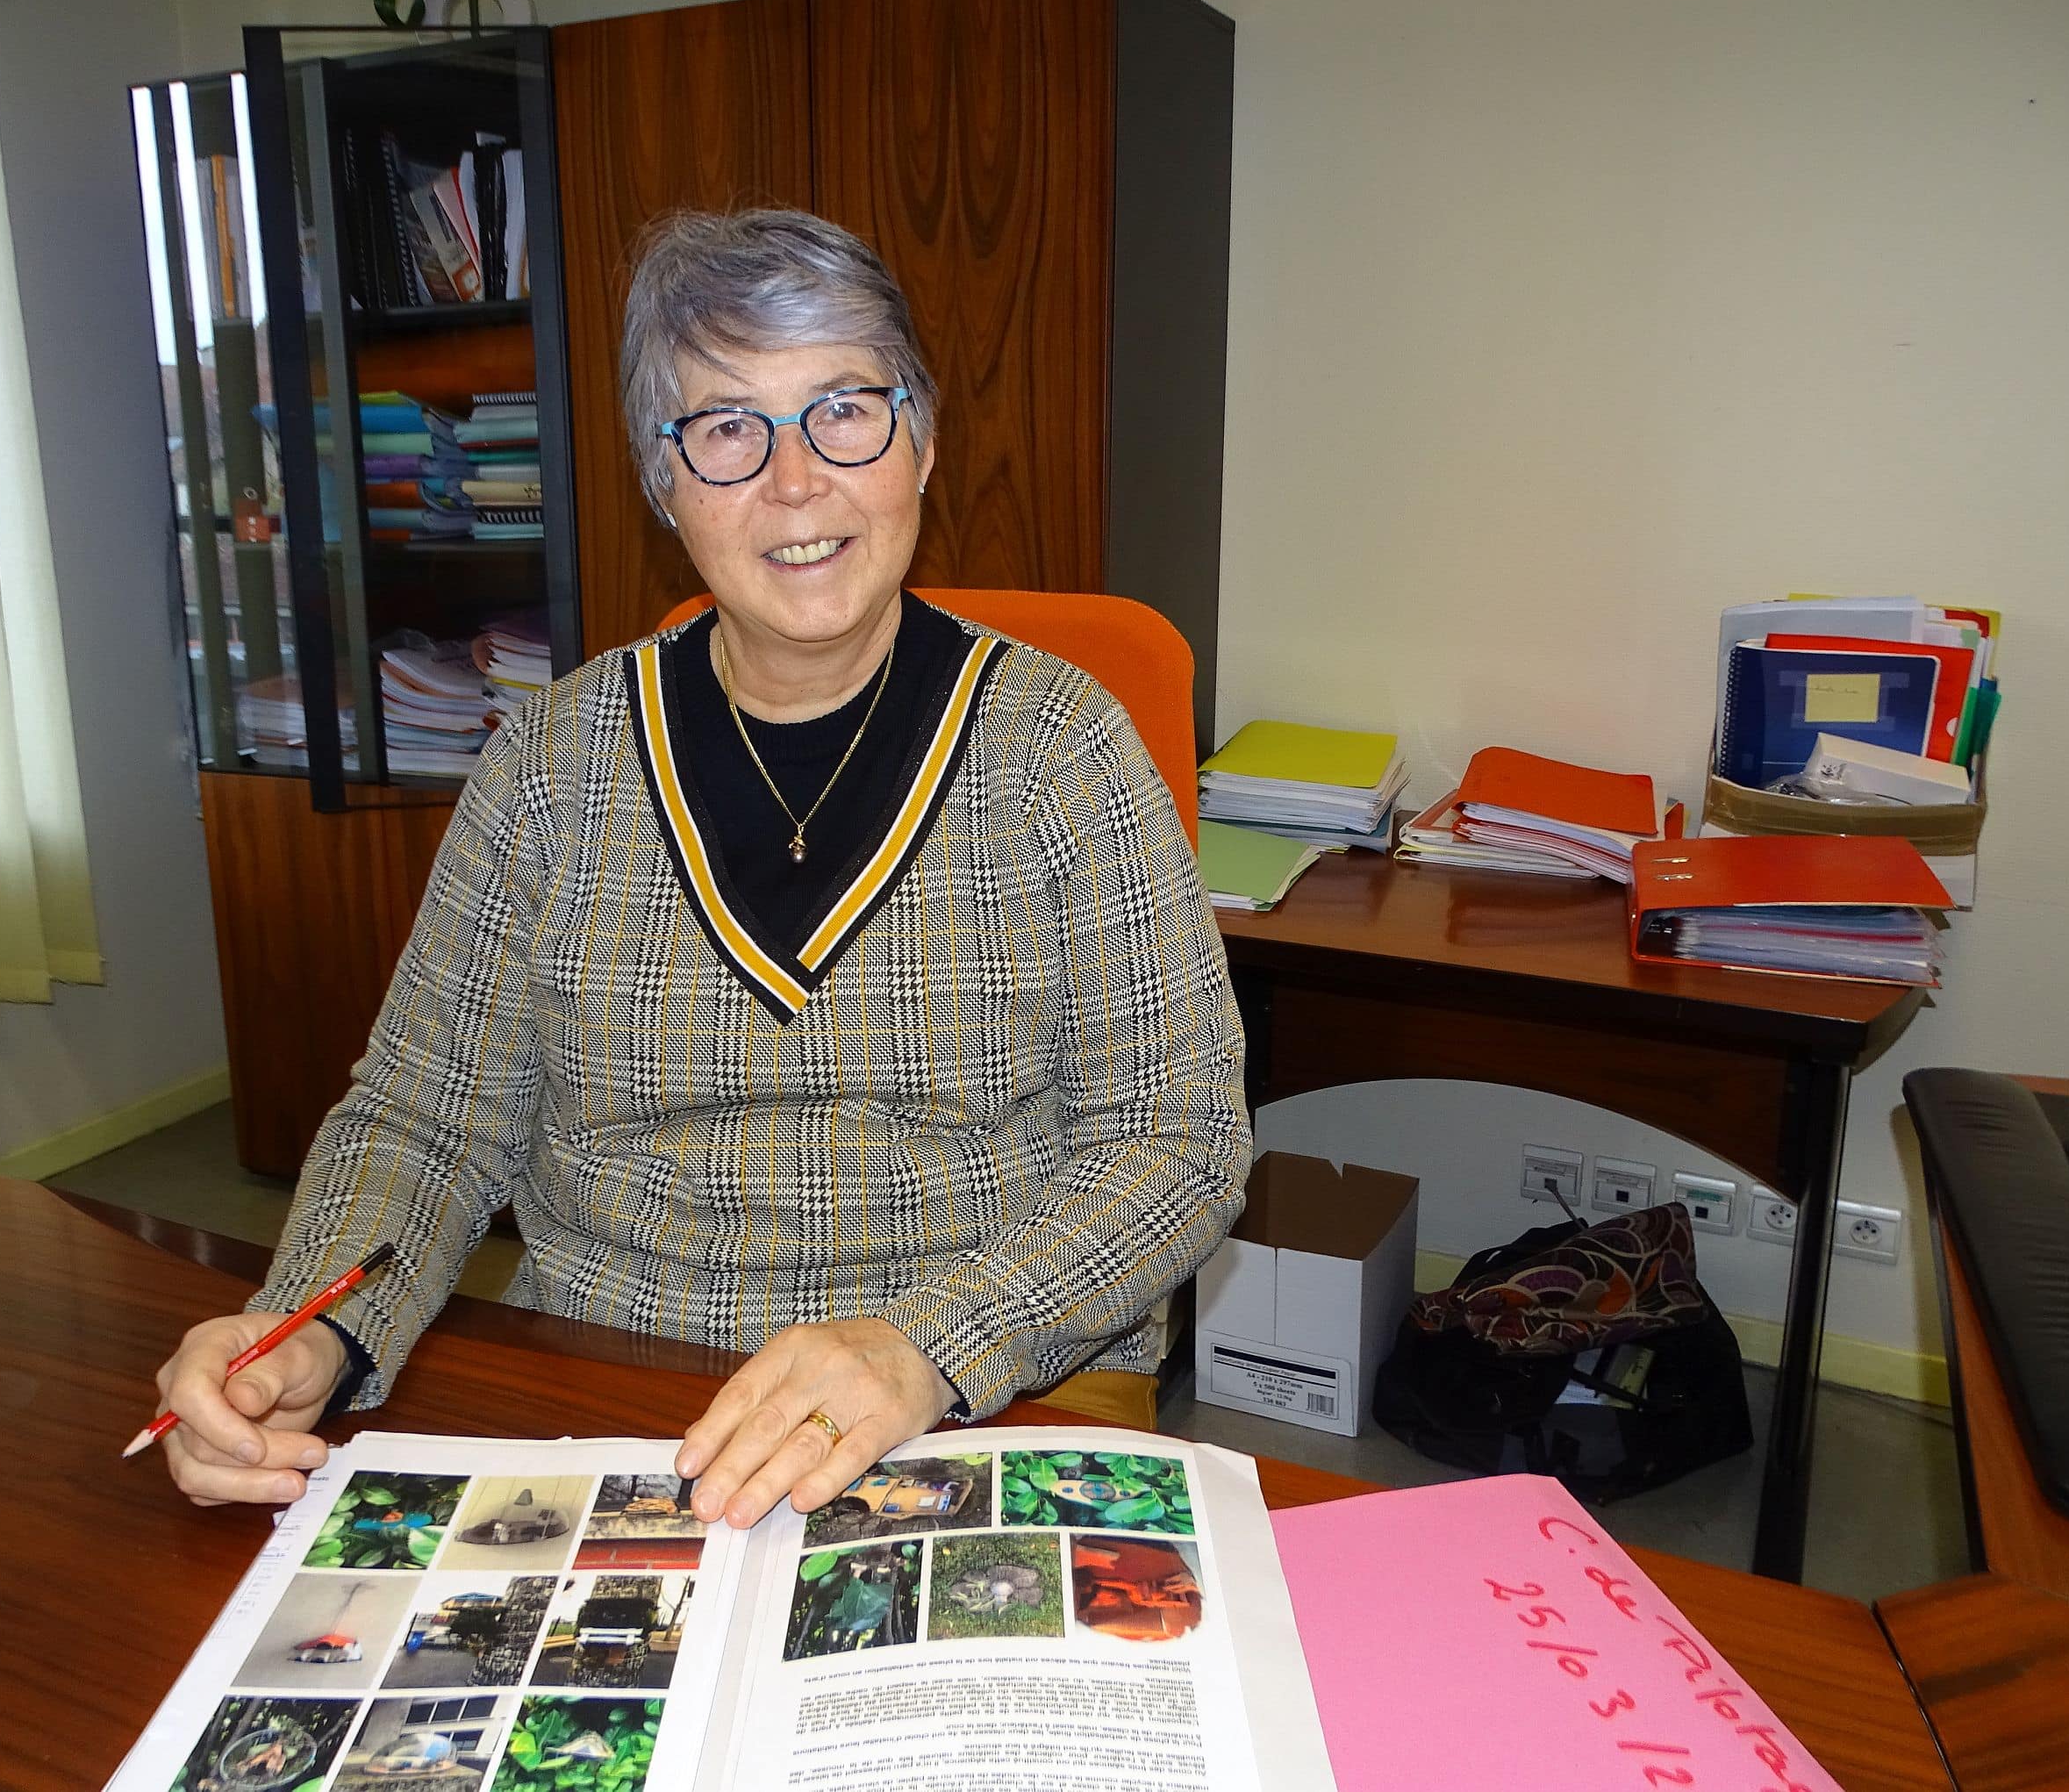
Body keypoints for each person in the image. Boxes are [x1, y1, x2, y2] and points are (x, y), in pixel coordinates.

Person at [148, 209, 1248, 1528]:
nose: (797, 481)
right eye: (727, 429)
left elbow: (1178, 1141)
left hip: (981, 1399)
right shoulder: (549, 764)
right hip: (622, 1403)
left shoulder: (1064, 747)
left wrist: (922, 1347)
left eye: (846, 409)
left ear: (922, 441)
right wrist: (306, 1327)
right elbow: (425, 1118)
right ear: (663, 483)